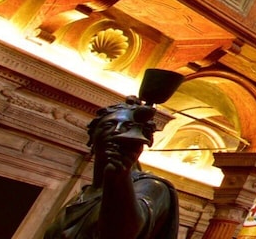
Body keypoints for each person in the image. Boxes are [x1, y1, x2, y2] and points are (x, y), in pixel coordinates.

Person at [43, 98, 178, 239]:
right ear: (91, 137)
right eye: (109, 125)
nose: (117, 131)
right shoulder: (82, 196)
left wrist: (119, 175)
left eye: (128, 127)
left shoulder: (152, 187)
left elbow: (120, 233)